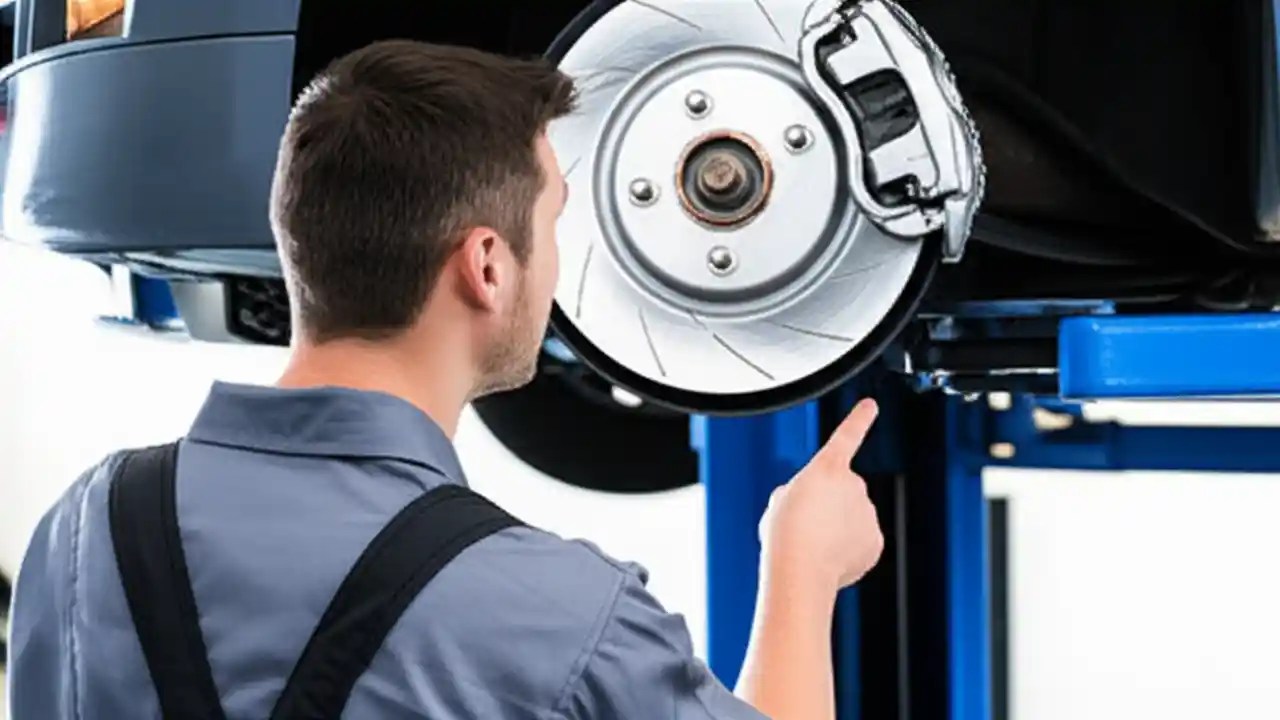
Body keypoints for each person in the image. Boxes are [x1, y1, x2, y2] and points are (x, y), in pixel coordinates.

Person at [5, 40, 884, 720]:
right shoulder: (565, 617)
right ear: (488, 266)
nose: (559, 271)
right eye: (553, 222)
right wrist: (802, 571)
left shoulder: (86, 530)